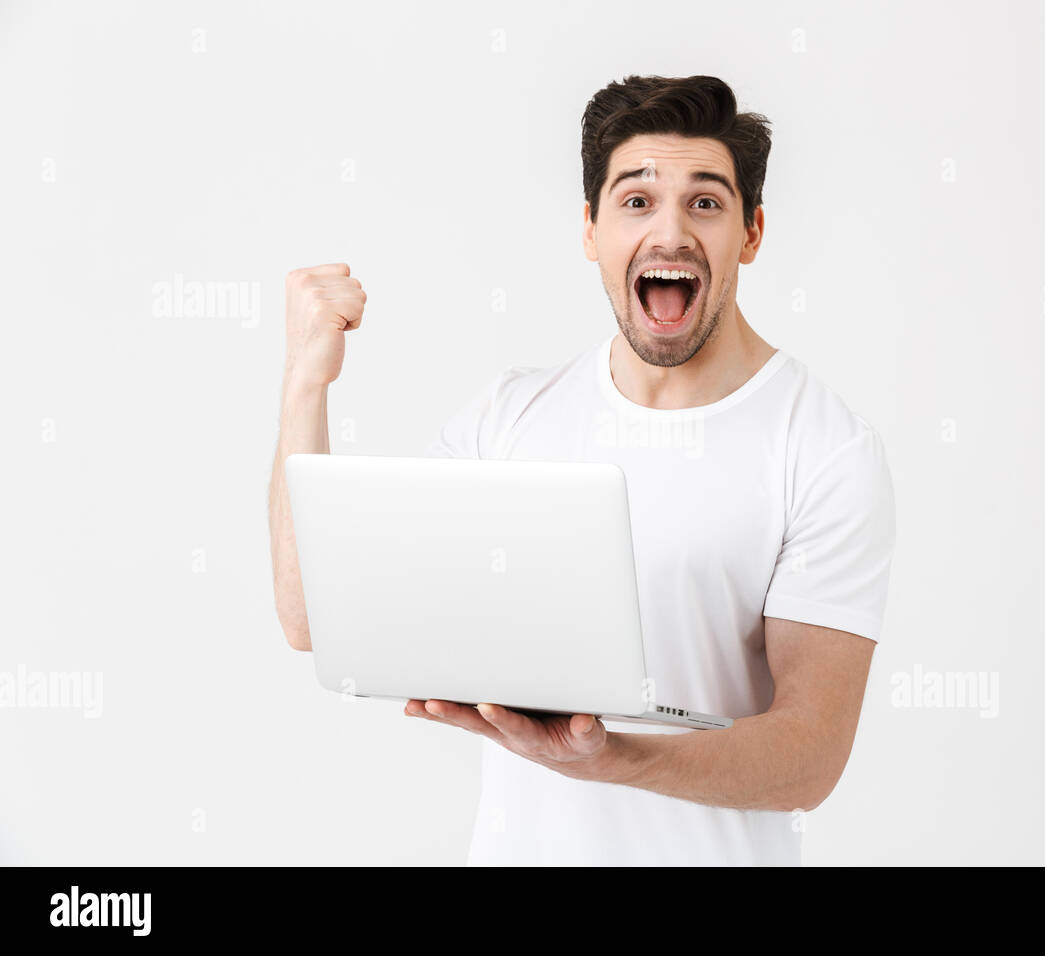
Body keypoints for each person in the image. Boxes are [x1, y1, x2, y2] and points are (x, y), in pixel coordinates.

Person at [268, 74, 896, 866]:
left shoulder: (825, 446)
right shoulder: (508, 418)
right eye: (636, 201)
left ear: (752, 232)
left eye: (705, 202)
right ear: (592, 230)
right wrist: (304, 383)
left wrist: (611, 760)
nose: (669, 233)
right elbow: (313, 620)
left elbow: (811, 757)